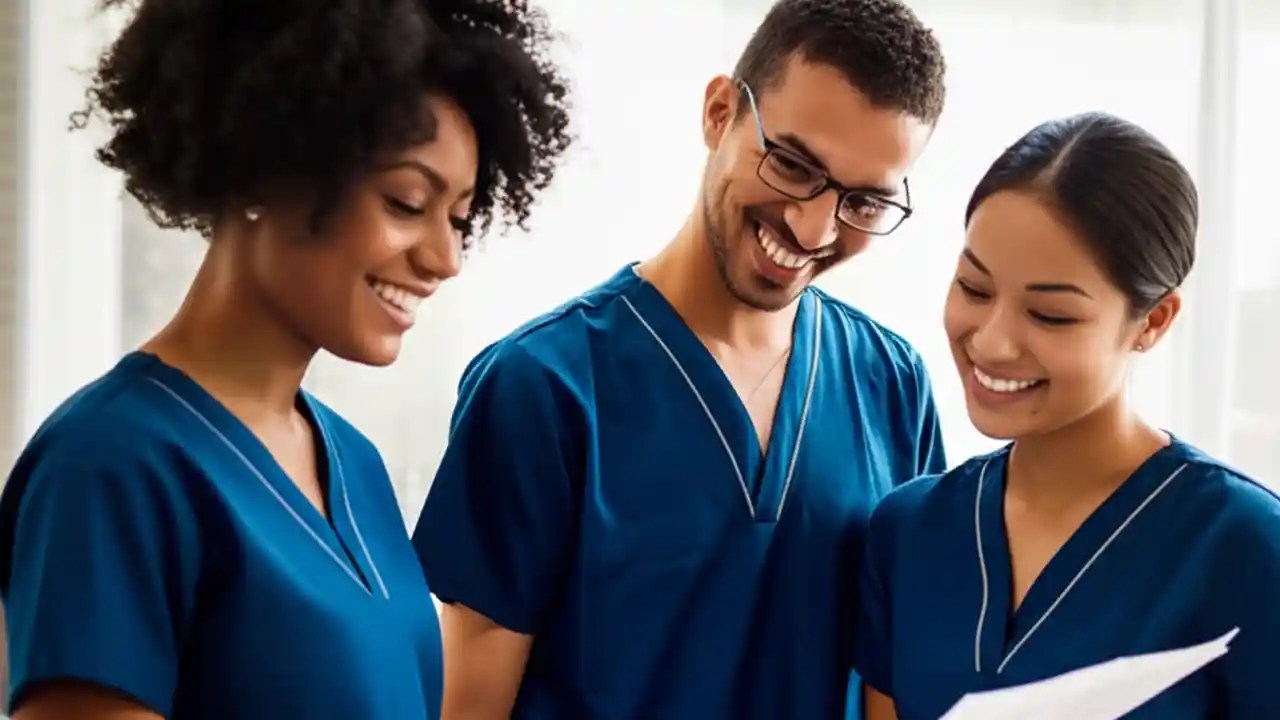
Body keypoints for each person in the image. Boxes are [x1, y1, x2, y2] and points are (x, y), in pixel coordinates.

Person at [0, 0, 572, 718]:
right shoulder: (111, 466)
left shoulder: (355, 467)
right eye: (405, 201)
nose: (444, 258)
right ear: (264, 167)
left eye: (457, 218)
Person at [411, 1, 947, 717]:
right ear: (720, 112)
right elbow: (470, 706)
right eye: (791, 164)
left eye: (865, 203)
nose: (813, 225)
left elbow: (906, 675)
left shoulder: (894, 386)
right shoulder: (544, 388)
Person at [854, 112, 1280, 719]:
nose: (993, 342)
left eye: (1051, 315)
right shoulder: (910, 533)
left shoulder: (1245, 549)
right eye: (974, 289)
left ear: (1153, 322)